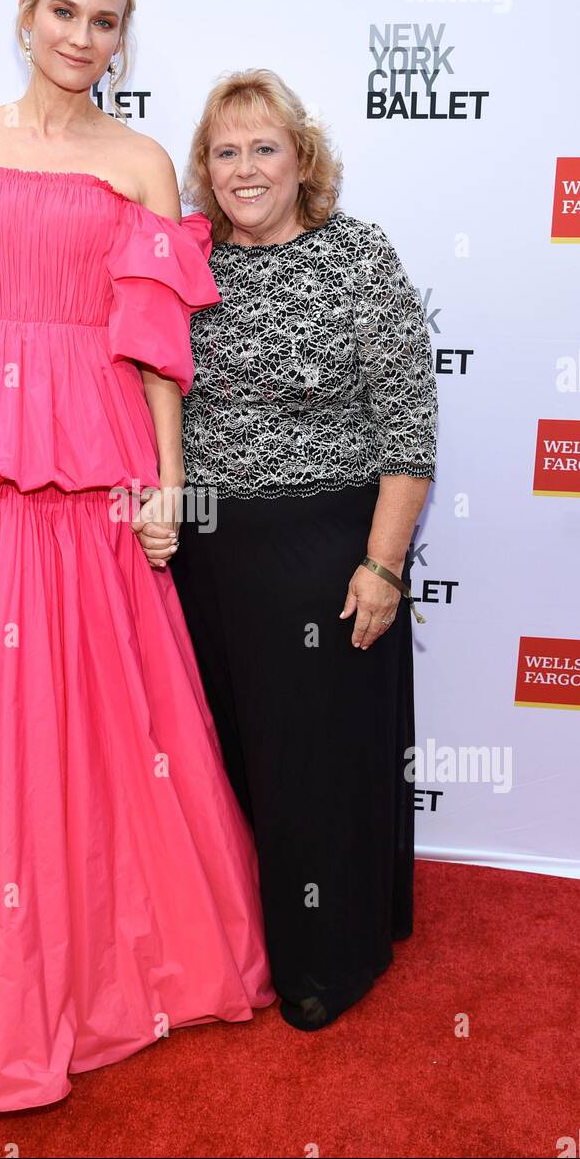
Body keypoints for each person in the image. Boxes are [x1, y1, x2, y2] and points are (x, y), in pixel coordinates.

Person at [0, 0, 274, 1113]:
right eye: (66, 13)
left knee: (113, 712)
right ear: (24, 15)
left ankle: (119, 966)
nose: (83, 37)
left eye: (105, 20)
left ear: (121, 37)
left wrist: (167, 481)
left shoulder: (139, 162)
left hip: (93, 461)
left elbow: (153, 338)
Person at [138, 69, 438, 1031]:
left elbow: (408, 429)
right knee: (223, 759)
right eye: (225, 152)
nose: (244, 168)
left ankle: (325, 957)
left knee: (313, 764)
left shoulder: (358, 258)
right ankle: (235, 946)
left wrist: (382, 566)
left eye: (264, 147)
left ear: (302, 158)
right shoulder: (187, 261)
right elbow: (149, 392)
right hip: (206, 557)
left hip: (323, 549)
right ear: (204, 170)